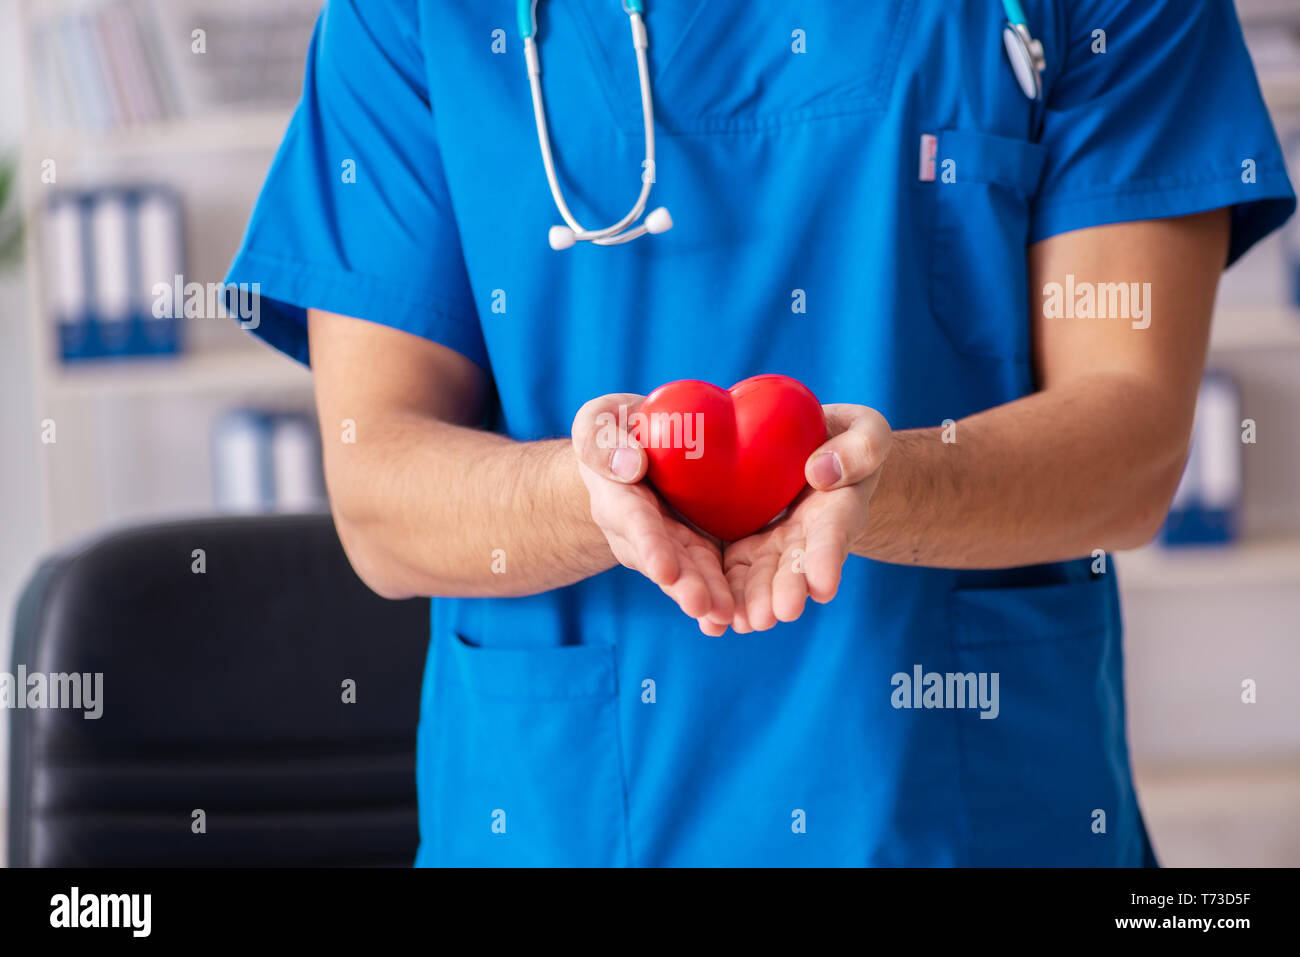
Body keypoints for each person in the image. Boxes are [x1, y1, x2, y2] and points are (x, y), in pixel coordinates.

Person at [225, 0, 1295, 866]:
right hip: (564, 824)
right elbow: (379, 493)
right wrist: (589, 494)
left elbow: (1132, 443)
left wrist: (894, 482)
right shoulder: (410, 17)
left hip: (961, 821)